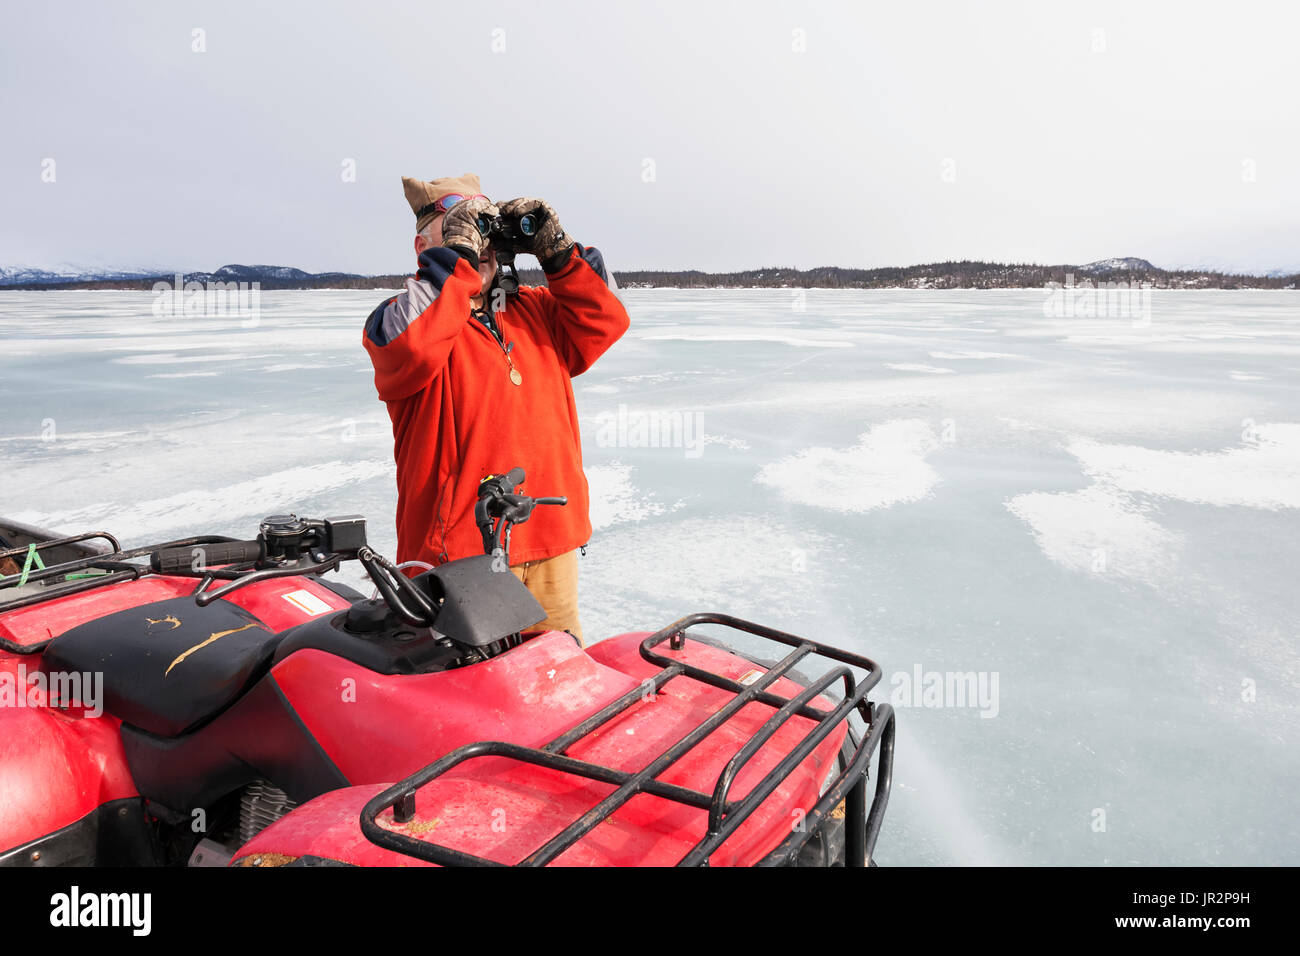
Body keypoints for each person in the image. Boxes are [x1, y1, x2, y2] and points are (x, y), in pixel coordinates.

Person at [363, 173, 629, 644]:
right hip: (458, 559)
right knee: (473, 697)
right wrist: (458, 258)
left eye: (484, 234)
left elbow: (606, 317)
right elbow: (410, 346)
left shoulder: (538, 311)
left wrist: (557, 251)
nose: (480, 247)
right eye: (460, 231)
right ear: (425, 246)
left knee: (557, 689)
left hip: (551, 540)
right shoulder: (400, 320)